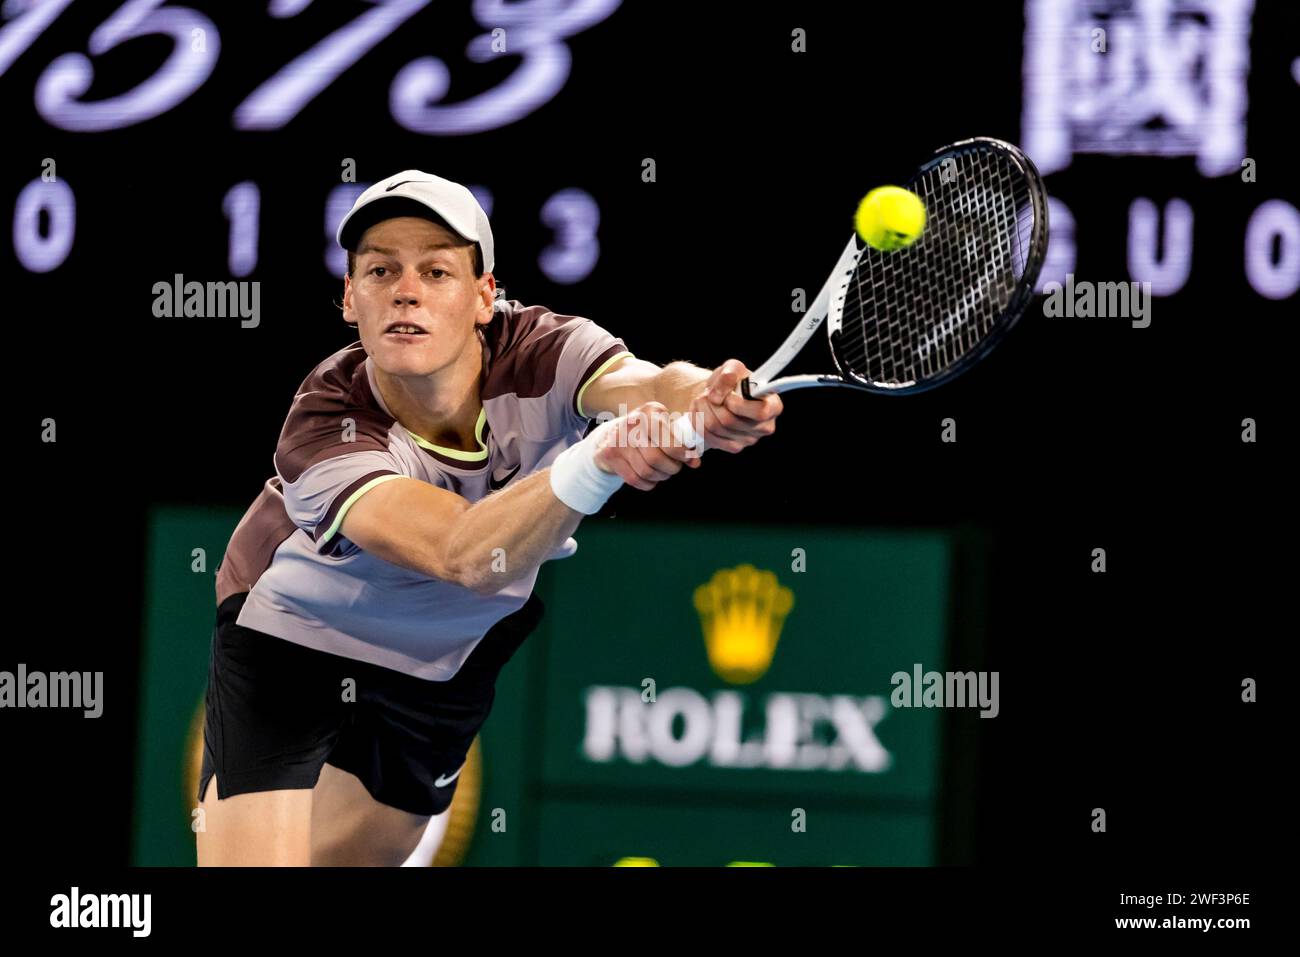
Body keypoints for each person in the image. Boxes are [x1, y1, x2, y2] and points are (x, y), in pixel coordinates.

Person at [195, 170, 783, 865]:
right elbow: (463, 555)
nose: (405, 289)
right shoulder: (326, 423)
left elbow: (648, 383)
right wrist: (597, 463)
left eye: (436, 269)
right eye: (380, 269)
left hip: (441, 661)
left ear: (484, 297)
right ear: (351, 299)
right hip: (291, 636)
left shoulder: (543, 349)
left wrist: (705, 399)